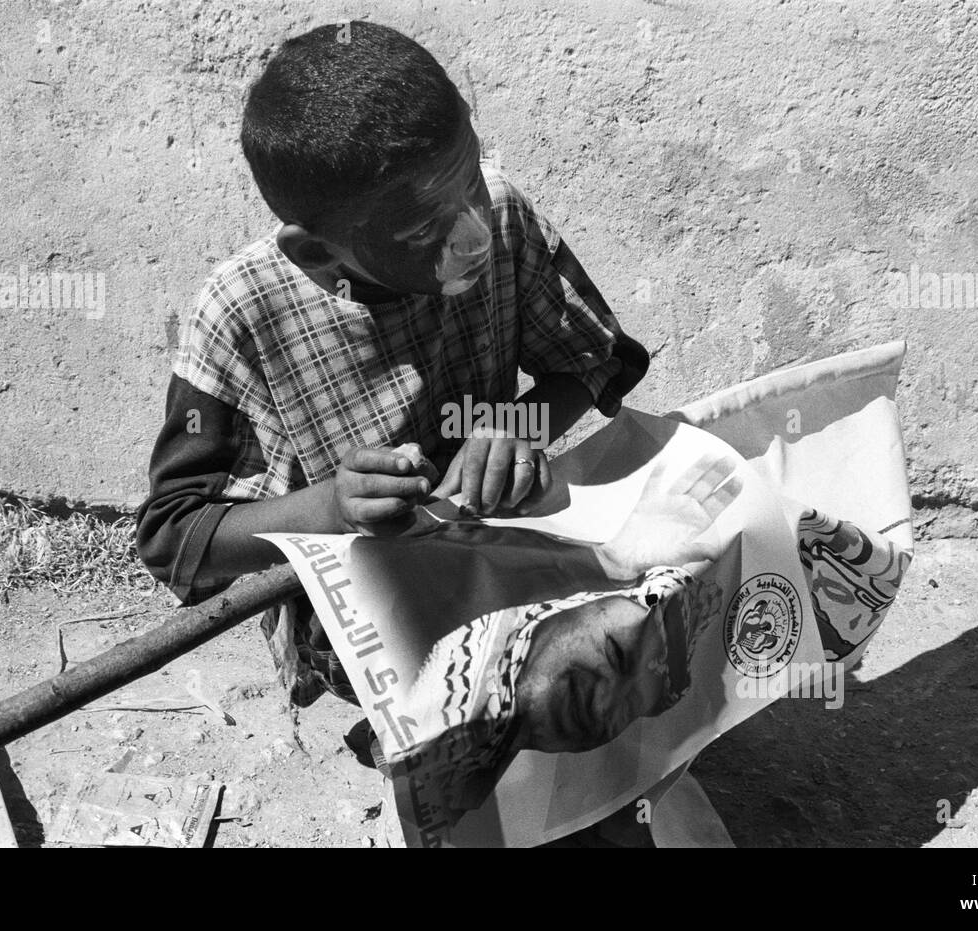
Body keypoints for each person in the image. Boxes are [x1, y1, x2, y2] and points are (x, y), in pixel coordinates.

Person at [133, 21, 650, 839]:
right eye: (424, 231)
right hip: (360, 610)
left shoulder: (500, 215)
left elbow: (600, 358)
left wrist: (513, 422)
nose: (471, 233)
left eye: (470, 179)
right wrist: (331, 508)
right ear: (315, 252)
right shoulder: (239, 313)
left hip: (493, 539)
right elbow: (175, 542)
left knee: (623, 667)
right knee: (489, 767)